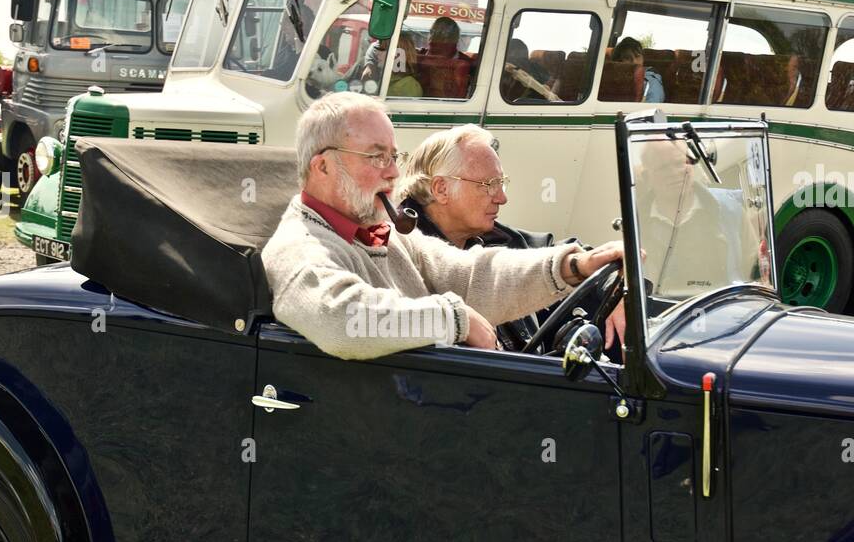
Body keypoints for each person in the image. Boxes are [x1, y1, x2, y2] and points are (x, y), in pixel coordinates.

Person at [261, 93, 625, 361]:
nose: (392, 172)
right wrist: (455, 317)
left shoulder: (384, 233)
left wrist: (572, 266)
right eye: (376, 157)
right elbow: (341, 320)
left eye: (394, 156)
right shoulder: (300, 246)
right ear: (323, 167)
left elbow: (470, 274)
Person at [396, 124, 623, 350]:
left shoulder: (498, 238)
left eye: (501, 183)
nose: (502, 198)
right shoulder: (402, 255)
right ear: (441, 189)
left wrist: (614, 286)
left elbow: (553, 250)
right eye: (489, 185)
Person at [613, 37, 665, 103]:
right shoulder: (611, 76)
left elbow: (653, 103)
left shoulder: (651, 78)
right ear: (619, 61)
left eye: (637, 56)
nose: (634, 61)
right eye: (627, 58)